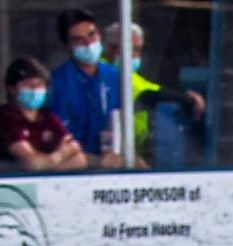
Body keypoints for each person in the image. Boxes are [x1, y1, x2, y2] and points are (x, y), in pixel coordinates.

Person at [102, 21, 206, 168]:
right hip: (109, 154)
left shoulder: (125, 72)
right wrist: (187, 100)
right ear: (114, 49)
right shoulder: (107, 72)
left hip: (130, 149)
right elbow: (149, 93)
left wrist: (186, 98)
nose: (138, 56)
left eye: (140, 50)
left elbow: (152, 88)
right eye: (134, 50)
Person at [46, 7, 122, 167]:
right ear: (67, 45)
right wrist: (95, 161)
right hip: (73, 167)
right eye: (78, 39)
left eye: (91, 34)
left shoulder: (115, 76)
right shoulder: (57, 83)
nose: (88, 43)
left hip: (113, 161)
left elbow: (120, 121)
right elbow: (59, 140)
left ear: (99, 35)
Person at [2, 58, 86, 171]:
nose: (35, 89)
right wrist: (59, 156)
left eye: (40, 84)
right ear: (12, 89)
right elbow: (32, 163)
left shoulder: (48, 117)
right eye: (27, 84)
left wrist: (46, 166)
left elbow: (79, 158)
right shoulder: (6, 117)